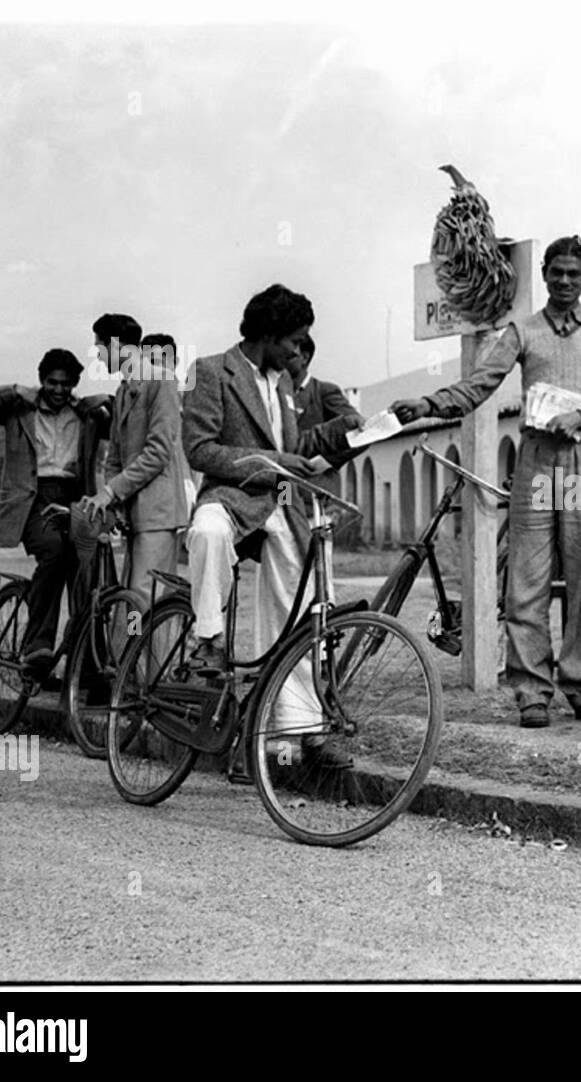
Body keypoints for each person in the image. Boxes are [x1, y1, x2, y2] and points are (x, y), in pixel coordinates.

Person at [392, 235, 581, 729]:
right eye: (557, 272)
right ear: (544, 274)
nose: (565, 281)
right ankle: (531, 690)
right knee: (525, 581)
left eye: (575, 274)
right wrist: (429, 405)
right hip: (535, 466)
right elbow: (481, 383)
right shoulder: (522, 331)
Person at [180, 284, 358, 770]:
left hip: (280, 504)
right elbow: (200, 449)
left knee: (298, 611)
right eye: (295, 340)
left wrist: (349, 431)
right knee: (207, 533)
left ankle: (297, 732)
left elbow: (294, 442)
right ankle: (210, 641)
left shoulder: (281, 384)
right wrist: (271, 461)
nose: (299, 351)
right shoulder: (210, 372)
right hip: (233, 497)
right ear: (269, 334)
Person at [0, 350, 112, 675]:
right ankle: (37, 646)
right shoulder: (18, 409)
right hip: (32, 498)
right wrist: (11, 390)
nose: (58, 390)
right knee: (53, 550)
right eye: (52, 383)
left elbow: (128, 425)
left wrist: (108, 400)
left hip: (73, 496)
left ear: (74, 385)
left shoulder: (86, 414)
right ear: (42, 380)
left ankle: (88, 668)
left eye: (66, 384)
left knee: (88, 568)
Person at [78, 327, 191, 603]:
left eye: (100, 348)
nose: (98, 356)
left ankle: (158, 648)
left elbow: (158, 453)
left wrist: (111, 492)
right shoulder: (124, 389)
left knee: (148, 598)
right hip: (133, 512)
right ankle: (137, 647)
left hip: (158, 512)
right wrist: (115, 501)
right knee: (132, 596)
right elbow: (114, 457)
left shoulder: (162, 382)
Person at [285, 333, 365, 500]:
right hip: (283, 491)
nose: (282, 359)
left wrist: (325, 462)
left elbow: (361, 433)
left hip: (316, 492)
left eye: (290, 355)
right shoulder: (277, 393)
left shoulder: (325, 391)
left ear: (305, 358)